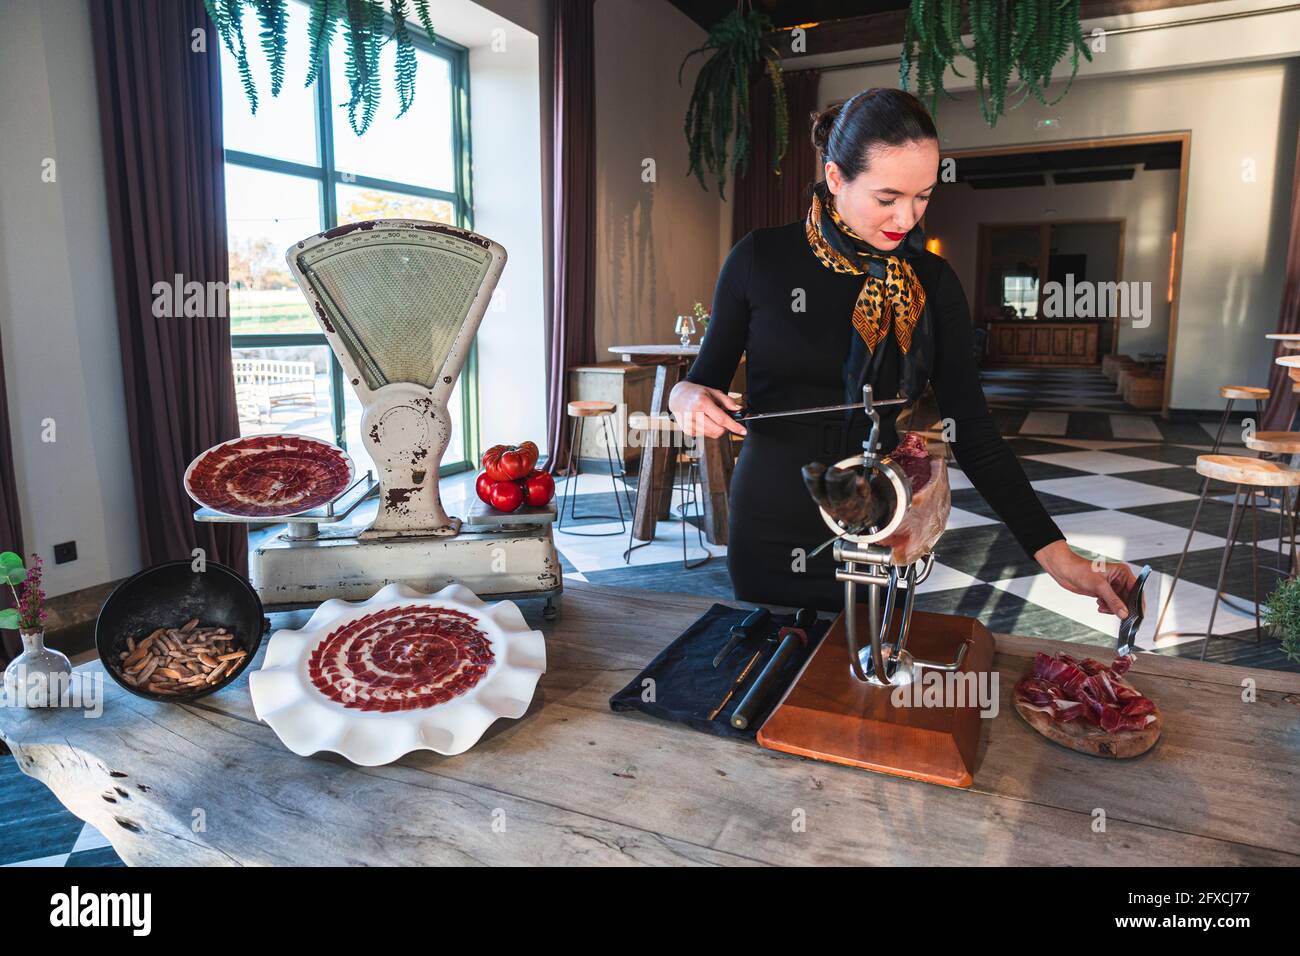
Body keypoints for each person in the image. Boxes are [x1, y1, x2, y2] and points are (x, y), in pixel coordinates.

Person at [669, 87, 1137, 616]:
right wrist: (684, 398)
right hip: (772, 518)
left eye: (924, 196)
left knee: (867, 677)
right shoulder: (760, 258)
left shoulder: (932, 282)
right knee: (770, 673)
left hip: (883, 519)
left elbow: (975, 435)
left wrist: (1058, 557)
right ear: (836, 178)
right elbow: (701, 379)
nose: (907, 219)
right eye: (887, 198)